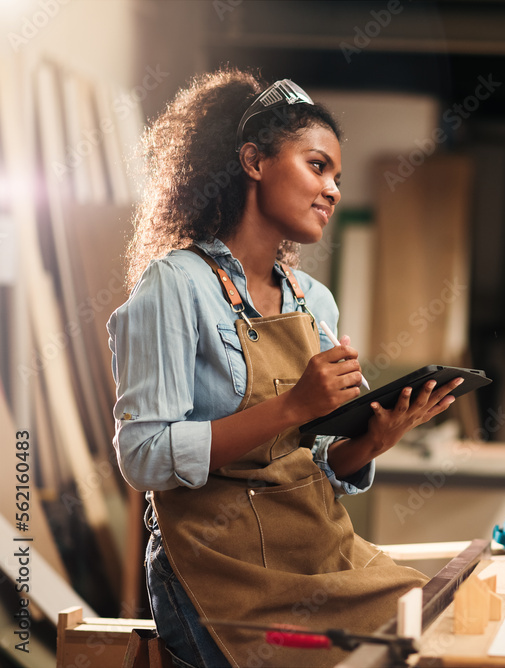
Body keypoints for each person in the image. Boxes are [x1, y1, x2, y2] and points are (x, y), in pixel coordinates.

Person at [108, 68, 462, 668]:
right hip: (217, 572)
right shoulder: (177, 285)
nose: (333, 190)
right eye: (317, 166)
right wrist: (294, 405)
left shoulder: (312, 301)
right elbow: (143, 457)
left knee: (439, 622)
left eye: (338, 177)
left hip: (316, 555)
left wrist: (372, 440)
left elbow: (309, 462)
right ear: (253, 161)